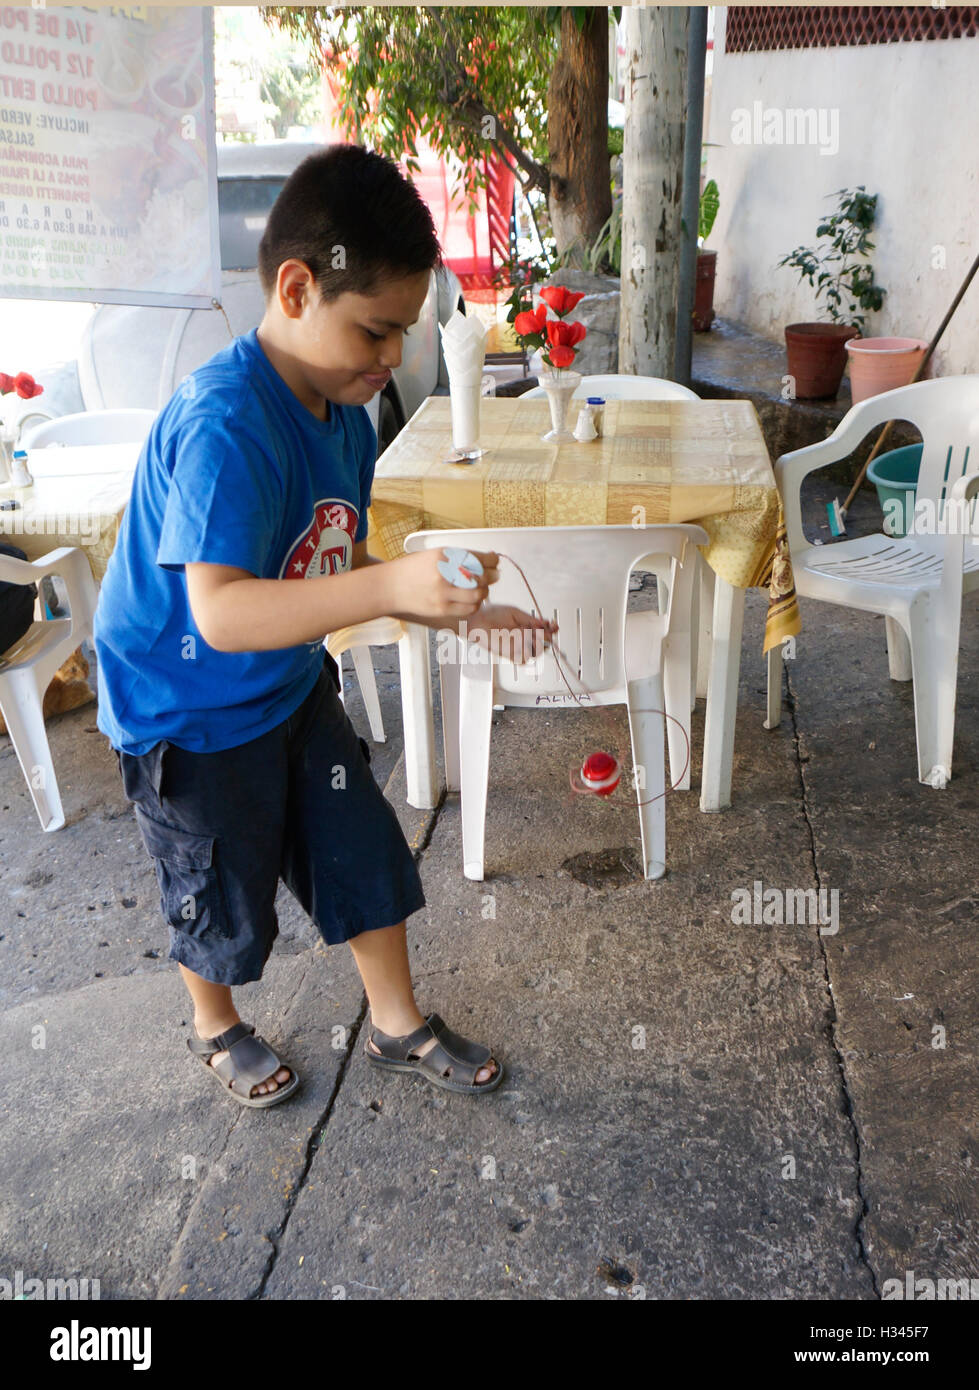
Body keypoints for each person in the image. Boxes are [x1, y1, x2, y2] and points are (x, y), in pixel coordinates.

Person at [93, 144, 554, 1107]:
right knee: (215, 890)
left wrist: (460, 607)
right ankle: (215, 1025)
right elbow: (219, 613)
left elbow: (329, 554)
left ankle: (395, 1025)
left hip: (289, 684)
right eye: (377, 331)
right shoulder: (228, 425)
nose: (392, 361)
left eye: (403, 335)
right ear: (297, 288)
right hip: (186, 707)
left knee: (359, 846)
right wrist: (396, 593)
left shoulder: (343, 408)